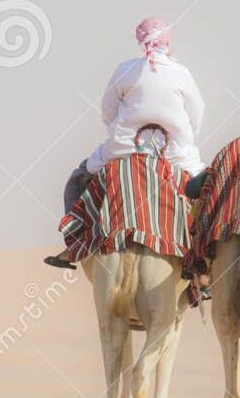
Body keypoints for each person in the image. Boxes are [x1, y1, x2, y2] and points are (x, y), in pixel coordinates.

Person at [44, 17, 206, 270]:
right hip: (175, 153)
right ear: (168, 41)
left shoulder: (125, 69)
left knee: (77, 180)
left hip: (124, 149)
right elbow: (197, 113)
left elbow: (108, 111)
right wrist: (181, 138)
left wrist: (121, 133)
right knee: (208, 193)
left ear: (139, 39)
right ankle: (202, 262)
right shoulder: (182, 73)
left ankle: (75, 245)